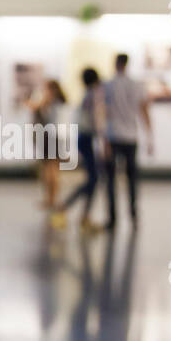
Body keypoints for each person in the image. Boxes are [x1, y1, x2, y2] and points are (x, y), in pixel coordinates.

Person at [103, 53, 151, 228]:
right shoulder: (136, 85)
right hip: (131, 137)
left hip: (113, 136)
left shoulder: (108, 85)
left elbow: (104, 113)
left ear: (116, 64)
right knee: (131, 178)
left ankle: (112, 217)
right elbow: (144, 110)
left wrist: (103, 139)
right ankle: (133, 214)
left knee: (111, 179)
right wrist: (150, 135)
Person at [57, 67, 107, 231]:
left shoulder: (87, 95)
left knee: (93, 179)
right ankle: (69, 207)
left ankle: (82, 213)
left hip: (84, 137)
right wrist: (103, 137)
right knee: (93, 178)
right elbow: (95, 119)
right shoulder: (92, 96)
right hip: (87, 138)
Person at [32, 79, 67, 219]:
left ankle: (52, 199)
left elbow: (49, 120)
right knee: (51, 169)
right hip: (53, 137)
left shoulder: (54, 104)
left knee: (50, 169)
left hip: (51, 137)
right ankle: (50, 198)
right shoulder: (58, 103)